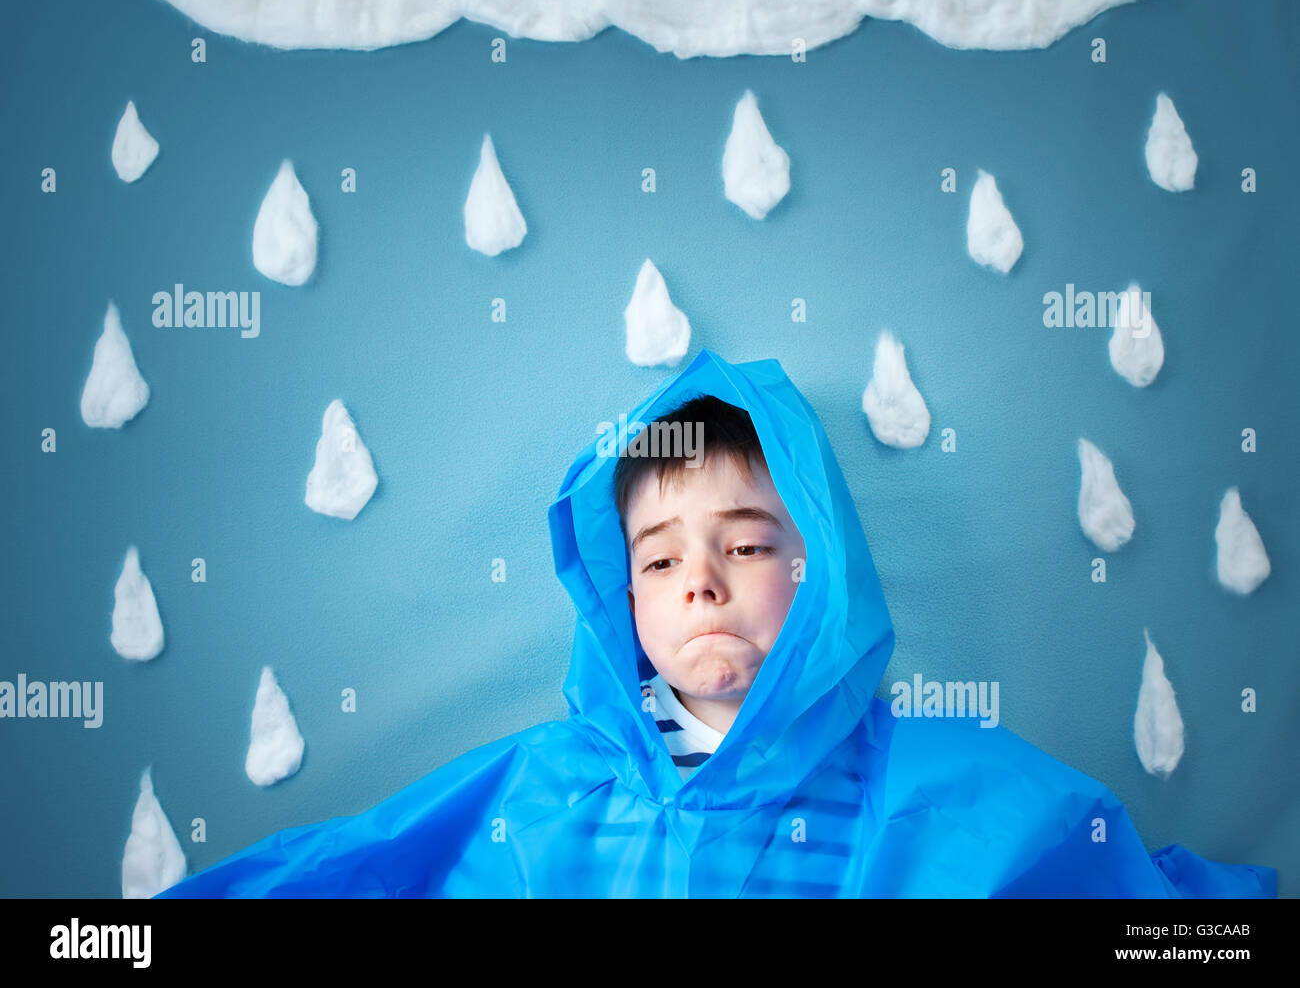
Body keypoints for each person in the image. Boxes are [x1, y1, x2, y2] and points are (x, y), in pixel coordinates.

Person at [156, 349, 1276, 897]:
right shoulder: (544, 790)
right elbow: (350, 870)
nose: (700, 582)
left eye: (742, 545)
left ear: (815, 569)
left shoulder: (933, 787)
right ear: (623, 600)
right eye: (659, 558)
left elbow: (1123, 890)